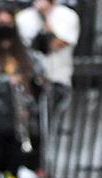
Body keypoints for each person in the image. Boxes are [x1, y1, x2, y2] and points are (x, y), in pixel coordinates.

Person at [12, 0, 72, 129]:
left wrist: (45, 19)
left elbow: (55, 45)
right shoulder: (23, 17)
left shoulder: (67, 16)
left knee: (51, 124)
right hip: (30, 80)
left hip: (57, 78)